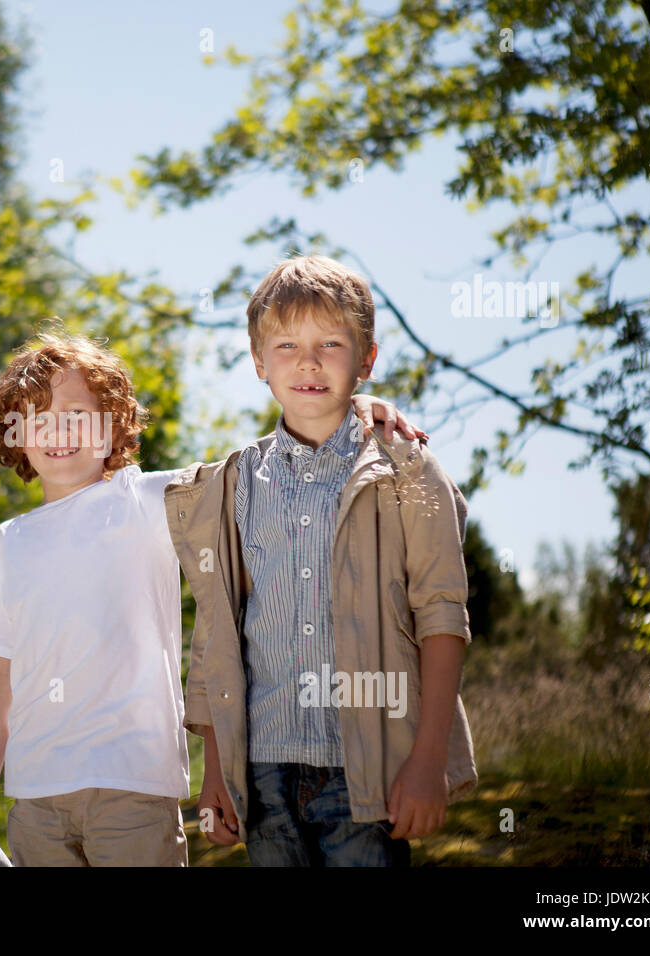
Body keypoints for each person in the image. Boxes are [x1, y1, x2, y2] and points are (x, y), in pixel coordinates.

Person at [0, 326, 421, 865]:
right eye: (37, 417)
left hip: (133, 784)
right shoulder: (9, 542)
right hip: (34, 794)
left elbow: (259, 465)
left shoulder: (151, 499)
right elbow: (1, 675)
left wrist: (349, 407)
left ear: (112, 428)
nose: (57, 430)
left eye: (75, 414)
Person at [172, 254, 477, 866]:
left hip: (368, 768)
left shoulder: (406, 471)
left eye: (330, 343)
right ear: (258, 361)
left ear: (366, 360)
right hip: (263, 769)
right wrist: (215, 771)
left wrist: (427, 760)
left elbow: (442, 616)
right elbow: (218, 633)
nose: (308, 362)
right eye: (285, 345)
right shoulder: (234, 484)